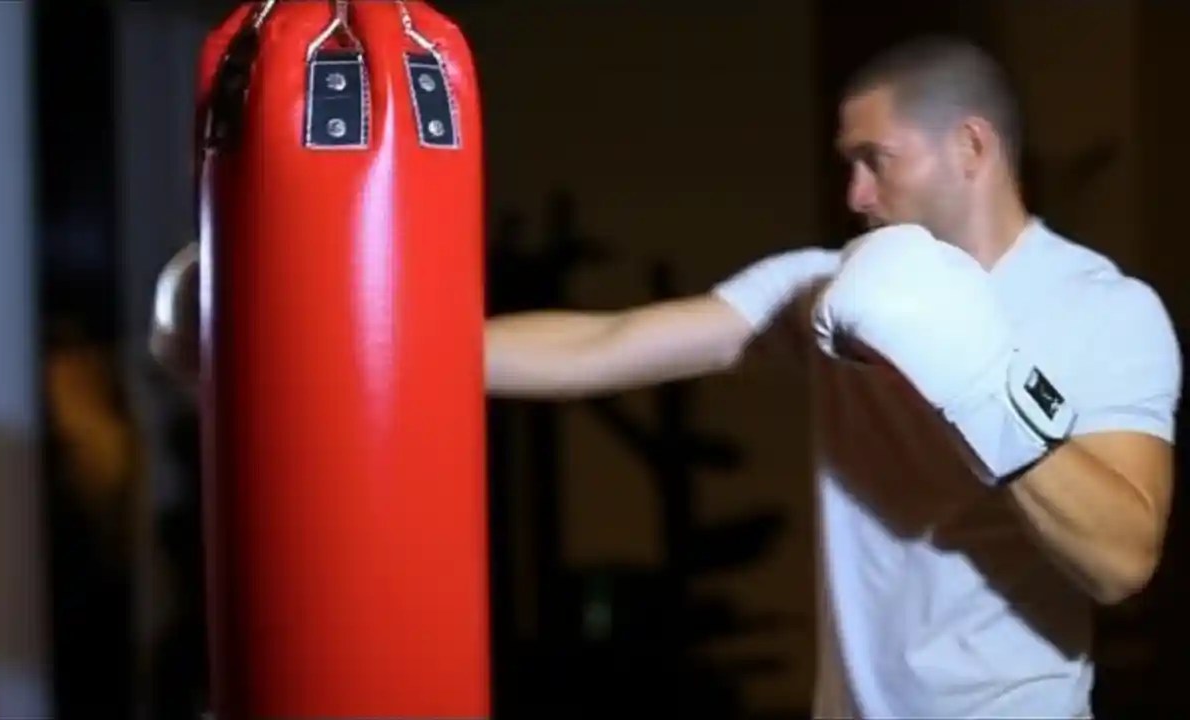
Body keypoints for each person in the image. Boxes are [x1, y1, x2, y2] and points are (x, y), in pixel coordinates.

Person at [151, 35, 1180, 718]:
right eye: (844, 163)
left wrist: (979, 380)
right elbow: (607, 345)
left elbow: (1121, 558)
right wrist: (336, 350)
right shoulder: (825, 287)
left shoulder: (1102, 309)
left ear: (969, 147)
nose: (852, 192)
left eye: (875, 160)